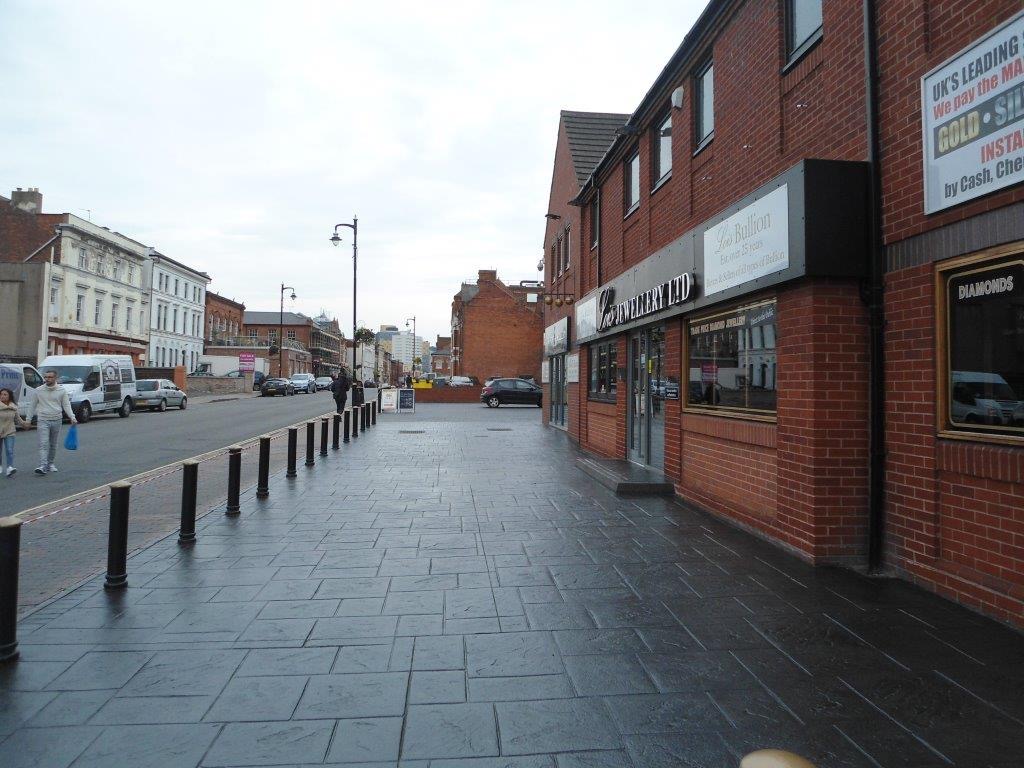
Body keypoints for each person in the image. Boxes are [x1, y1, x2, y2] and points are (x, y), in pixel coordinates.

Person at [27, 369, 77, 476]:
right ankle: (43, 465)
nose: (47, 379)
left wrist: (72, 417)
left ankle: (51, 464)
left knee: (53, 444)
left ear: (55, 378)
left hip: (57, 419)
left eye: (50, 377)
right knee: (43, 443)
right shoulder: (39, 390)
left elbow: (66, 405)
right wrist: (28, 420)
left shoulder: (61, 390)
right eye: (46, 377)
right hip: (43, 419)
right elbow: (32, 405)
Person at [0, 388, 32, 477]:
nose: (2, 396)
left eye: (5, 394)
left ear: (9, 396)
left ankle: (10, 468)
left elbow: (18, 419)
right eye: (1, 394)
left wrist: (25, 424)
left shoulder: (13, 407)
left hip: (10, 431)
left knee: (9, 450)